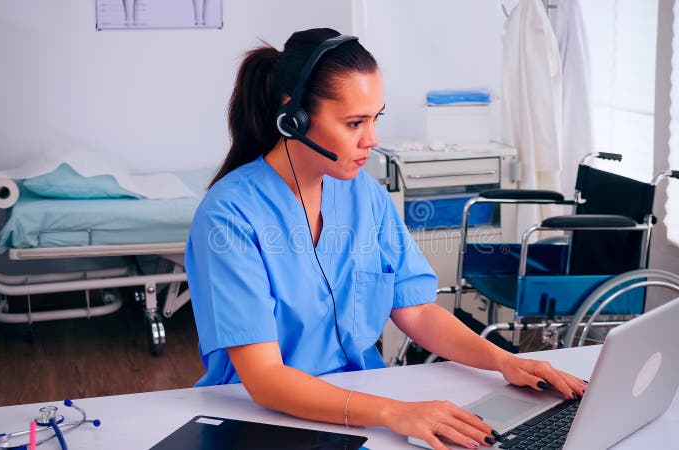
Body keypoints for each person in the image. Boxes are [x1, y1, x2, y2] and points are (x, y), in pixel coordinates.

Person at [185, 27, 586, 450]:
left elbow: (415, 311)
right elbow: (265, 379)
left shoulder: (364, 195)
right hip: (263, 419)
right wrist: (395, 413)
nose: (372, 140)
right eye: (354, 123)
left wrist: (505, 362)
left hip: (364, 407)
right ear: (294, 117)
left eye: (376, 118)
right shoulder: (229, 216)